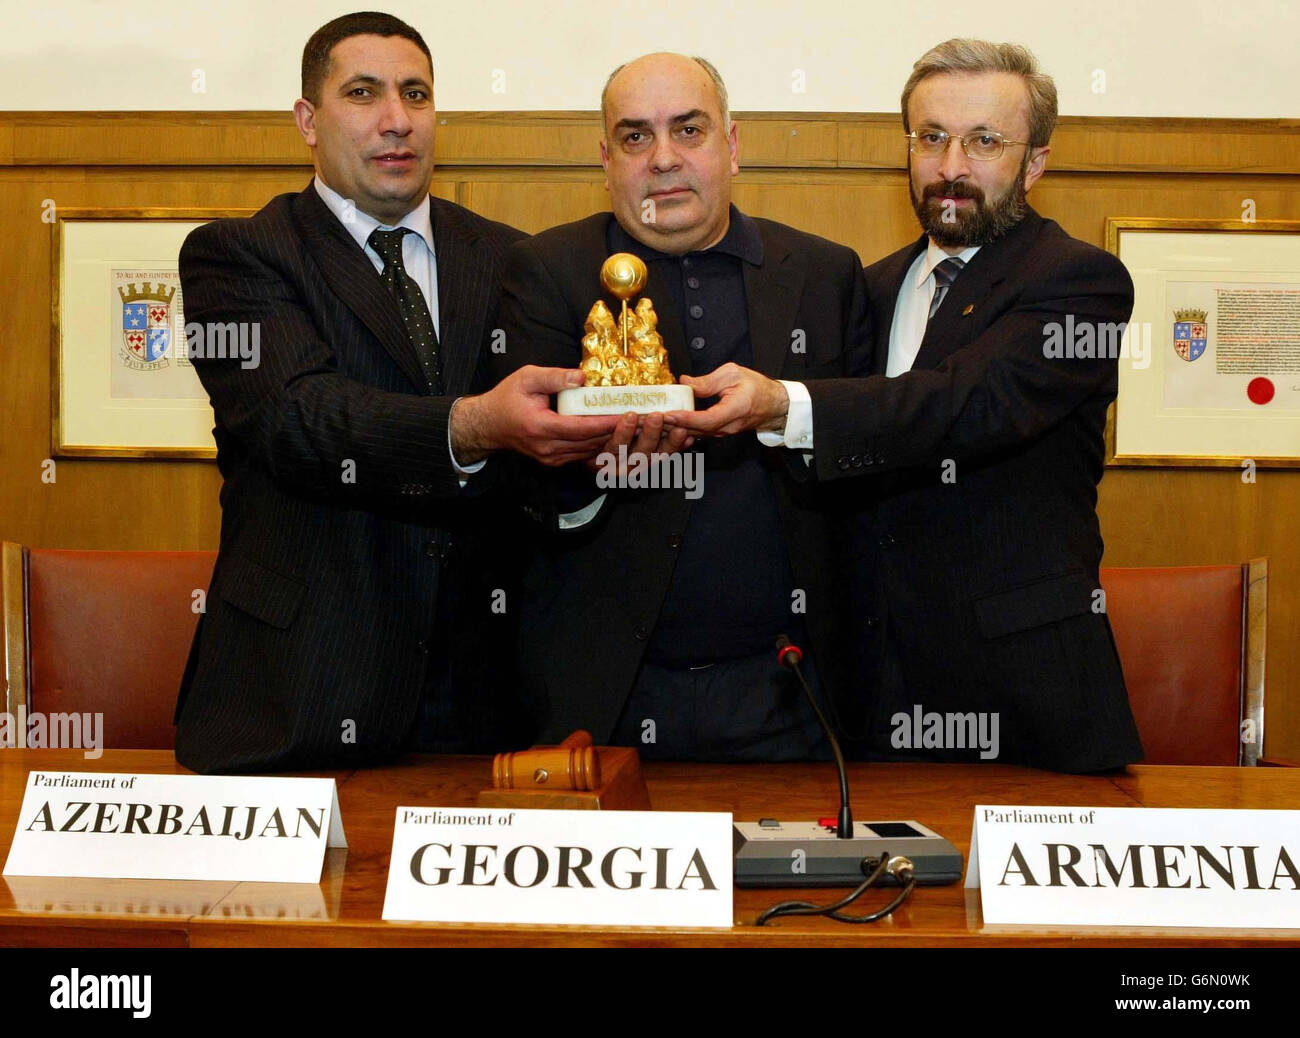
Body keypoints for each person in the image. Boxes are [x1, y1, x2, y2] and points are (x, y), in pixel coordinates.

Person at [670, 39, 1143, 773]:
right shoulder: (872, 286)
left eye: (985, 141)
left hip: (1024, 698)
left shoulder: (1083, 283)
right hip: (872, 696)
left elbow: (962, 403)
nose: (952, 166)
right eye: (932, 138)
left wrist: (781, 406)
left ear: (1036, 161)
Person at [174, 12, 621, 773]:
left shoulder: (512, 257)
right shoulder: (239, 255)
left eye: (416, 94)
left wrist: (594, 459)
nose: (396, 120)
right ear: (308, 122)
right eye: (363, 93)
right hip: (302, 691)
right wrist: (475, 424)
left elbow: (532, 463)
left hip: (487, 701)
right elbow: (299, 419)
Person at [493, 52, 872, 761]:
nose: (663, 159)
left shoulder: (826, 274)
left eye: (688, 131)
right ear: (606, 160)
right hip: (604, 692)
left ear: (731, 145)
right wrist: (590, 468)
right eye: (636, 137)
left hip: (790, 686)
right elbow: (516, 482)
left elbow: (865, 461)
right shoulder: (545, 271)